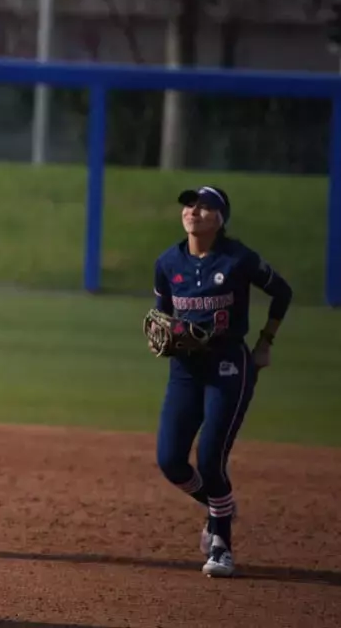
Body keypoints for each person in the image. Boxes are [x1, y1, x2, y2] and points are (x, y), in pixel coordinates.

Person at [151, 185, 293, 578]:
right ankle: (219, 505)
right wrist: (165, 335)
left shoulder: (238, 259)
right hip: (184, 370)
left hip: (228, 366)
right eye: (189, 204)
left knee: (211, 458)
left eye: (204, 206)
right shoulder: (167, 262)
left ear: (220, 218)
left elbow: (282, 292)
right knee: (170, 461)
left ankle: (222, 544)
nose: (193, 211)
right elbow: (163, 314)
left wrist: (264, 342)